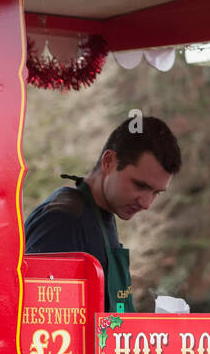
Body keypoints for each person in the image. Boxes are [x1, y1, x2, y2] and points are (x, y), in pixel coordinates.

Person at [24, 116, 182, 312]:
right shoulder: (62, 220)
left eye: (156, 193)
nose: (146, 203)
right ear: (109, 162)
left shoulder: (104, 215)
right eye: (140, 185)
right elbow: (40, 319)